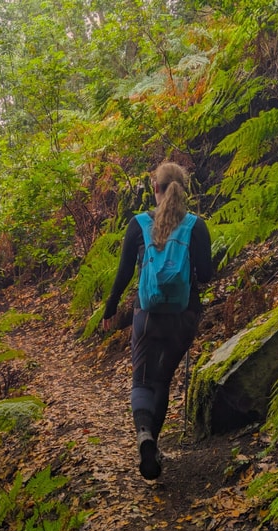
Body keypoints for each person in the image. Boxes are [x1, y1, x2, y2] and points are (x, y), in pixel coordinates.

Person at [100, 162, 213, 480]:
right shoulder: (196, 226)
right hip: (183, 316)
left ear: (156, 190)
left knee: (142, 381)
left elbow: (123, 274)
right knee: (162, 381)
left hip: (146, 316)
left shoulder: (138, 225)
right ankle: (154, 445)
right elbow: (205, 274)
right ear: (183, 189)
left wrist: (110, 309)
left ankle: (144, 436)